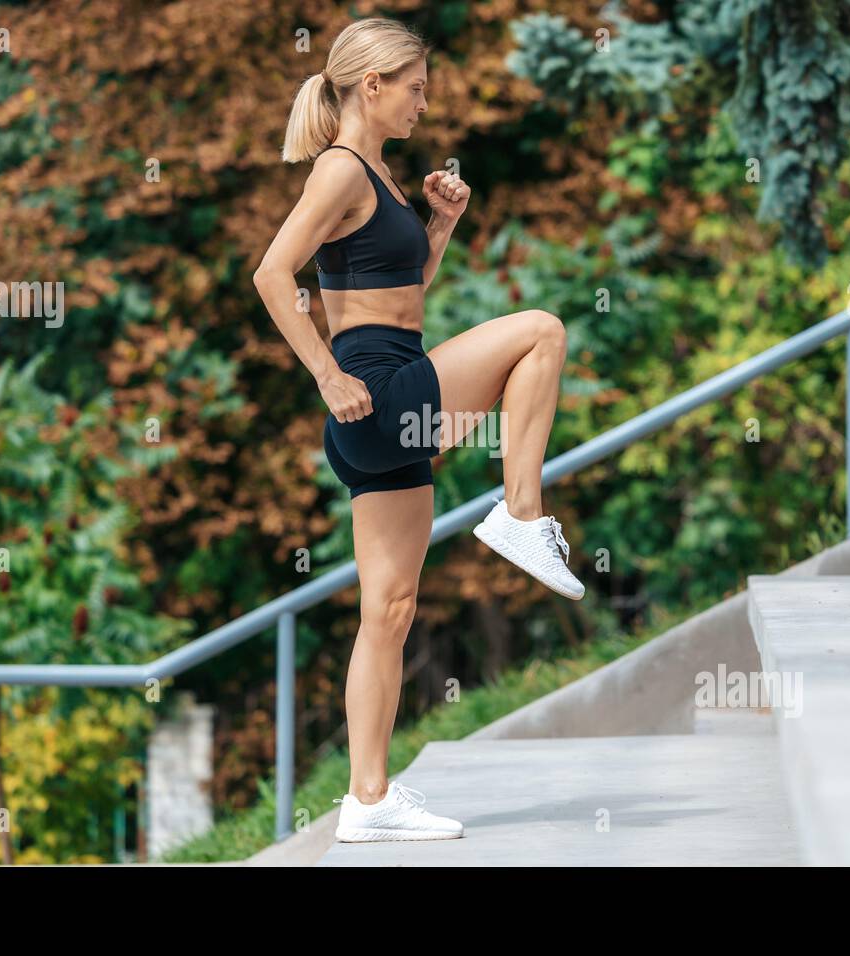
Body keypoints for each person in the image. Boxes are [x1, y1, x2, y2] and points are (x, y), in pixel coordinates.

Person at [253, 17, 584, 844]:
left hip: (384, 409)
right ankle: (518, 512)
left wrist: (436, 228)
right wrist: (326, 376)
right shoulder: (337, 170)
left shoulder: (379, 175)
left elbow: (400, 295)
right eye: (416, 85)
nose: (425, 101)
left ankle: (367, 801)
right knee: (541, 331)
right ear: (372, 84)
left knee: (389, 610)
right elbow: (269, 272)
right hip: (374, 392)